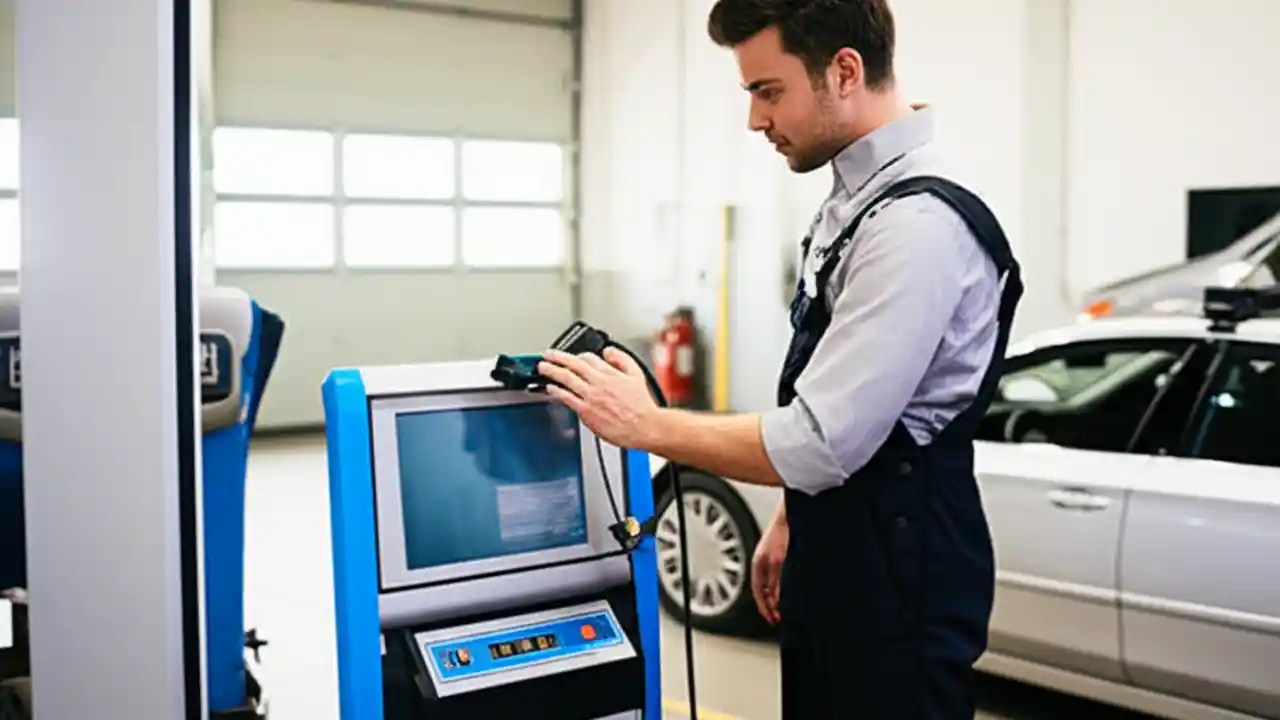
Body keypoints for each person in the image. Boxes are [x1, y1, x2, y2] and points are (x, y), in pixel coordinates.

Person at [537, 0, 1023, 716]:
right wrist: (796, 518)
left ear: (844, 71)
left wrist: (645, 426)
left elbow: (822, 440)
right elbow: (845, 401)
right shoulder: (855, 204)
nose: (756, 120)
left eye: (768, 91)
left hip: (899, 575)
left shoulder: (916, 227)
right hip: (845, 550)